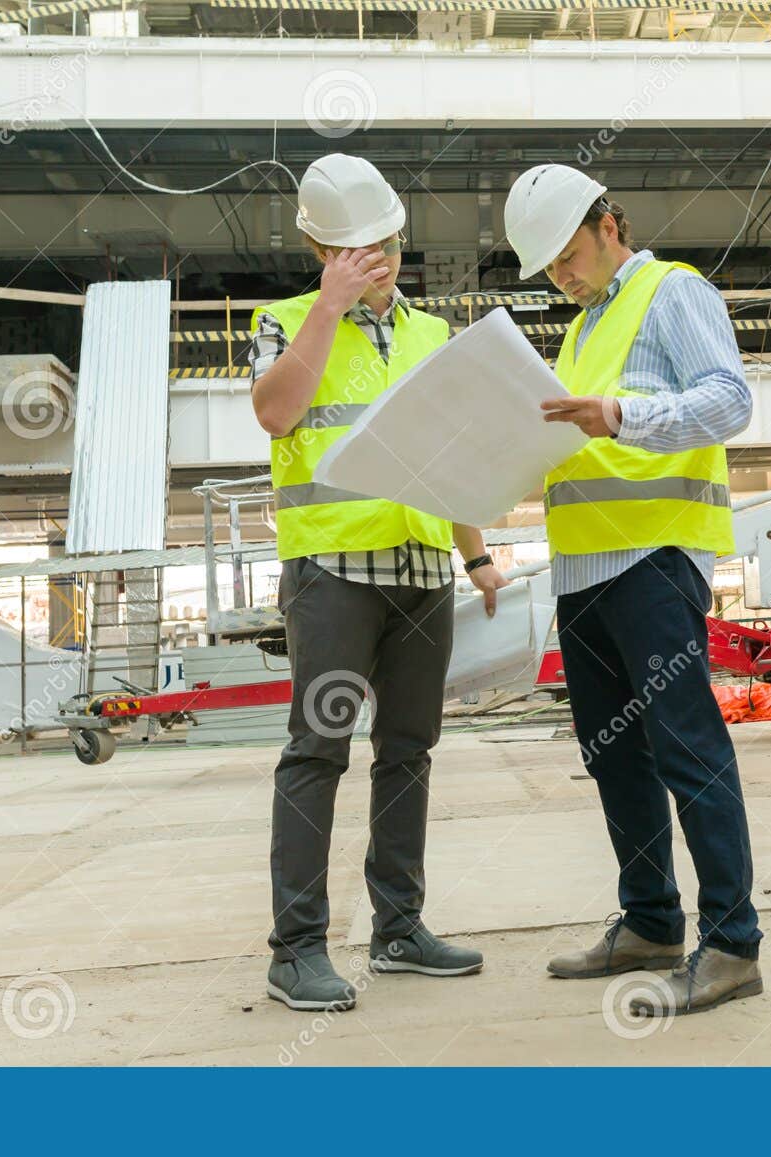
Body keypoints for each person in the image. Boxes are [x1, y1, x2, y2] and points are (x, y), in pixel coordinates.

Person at [250, 153, 508, 1013]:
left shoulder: (435, 335)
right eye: (359, 247)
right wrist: (328, 307)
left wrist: (474, 556)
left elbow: (452, 456)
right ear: (321, 247)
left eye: (389, 242)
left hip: (421, 573)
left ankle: (399, 929)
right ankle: (297, 949)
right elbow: (277, 412)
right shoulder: (283, 319)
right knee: (316, 751)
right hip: (332, 573)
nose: (380, 259)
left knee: (407, 752)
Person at [504, 163, 763, 1016]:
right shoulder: (579, 332)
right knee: (613, 756)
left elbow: (728, 401)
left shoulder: (670, 291)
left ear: (608, 224)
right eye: (549, 268)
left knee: (687, 746)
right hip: (583, 571)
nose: (562, 276)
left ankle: (730, 942)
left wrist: (622, 416)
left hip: (653, 557)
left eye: (569, 255)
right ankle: (651, 919)